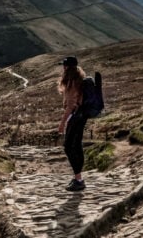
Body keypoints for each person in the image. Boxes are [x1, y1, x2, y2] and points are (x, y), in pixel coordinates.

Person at [57, 56, 87, 191]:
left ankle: (78, 179)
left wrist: (62, 123)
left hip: (74, 117)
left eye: (64, 66)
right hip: (82, 116)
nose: (63, 68)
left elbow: (70, 106)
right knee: (77, 146)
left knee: (68, 147)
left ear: (67, 67)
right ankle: (78, 178)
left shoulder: (71, 83)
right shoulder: (80, 78)